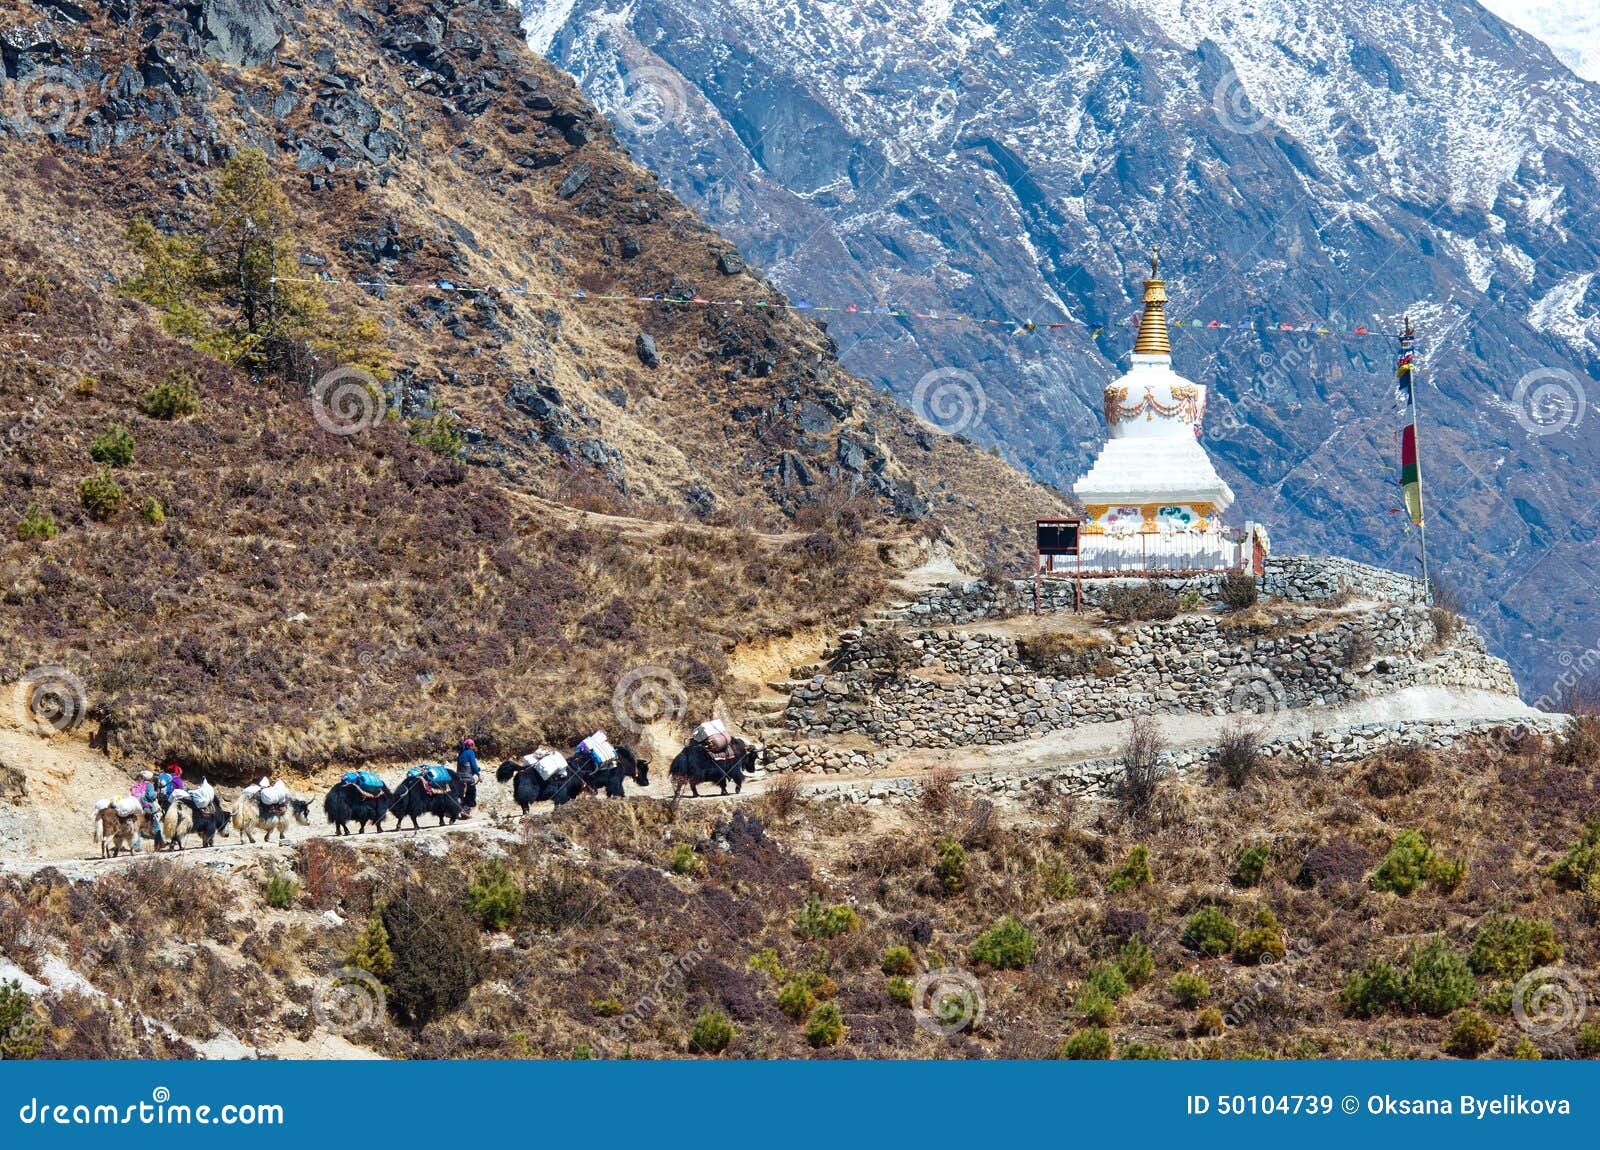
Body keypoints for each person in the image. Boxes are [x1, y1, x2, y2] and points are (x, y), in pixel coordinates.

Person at [456, 738, 481, 818]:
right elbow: (474, 766)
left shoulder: (460, 754)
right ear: (468, 746)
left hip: (459, 778)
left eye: (473, 744)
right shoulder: (470, 752)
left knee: (462, 795)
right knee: (471, 794)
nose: (473, 746)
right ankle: (466, 810)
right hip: (468, 778)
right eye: (472, 744)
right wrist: (478, 774)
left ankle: (463, 810)